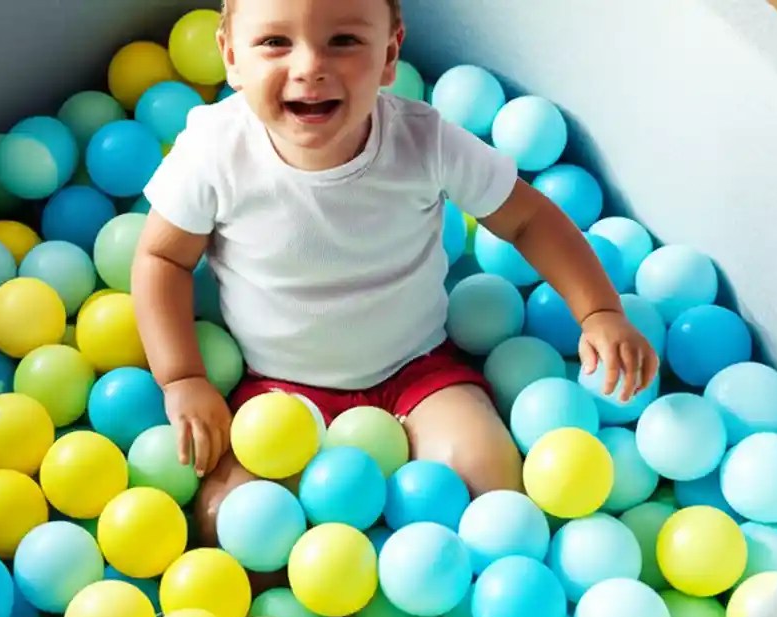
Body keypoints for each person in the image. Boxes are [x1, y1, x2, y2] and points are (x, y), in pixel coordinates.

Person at [131, 0, 659, 543]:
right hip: (274, 394)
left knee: (493, 493)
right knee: (234, 522)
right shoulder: (216, 151)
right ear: (231, 57)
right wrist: (184, 378)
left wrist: (599, 311)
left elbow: (527, 218)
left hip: (417, 371)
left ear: (389, 55)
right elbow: (161, 258)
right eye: (275, 43)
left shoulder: (423, 142)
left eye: (343, 41)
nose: (310, 66)